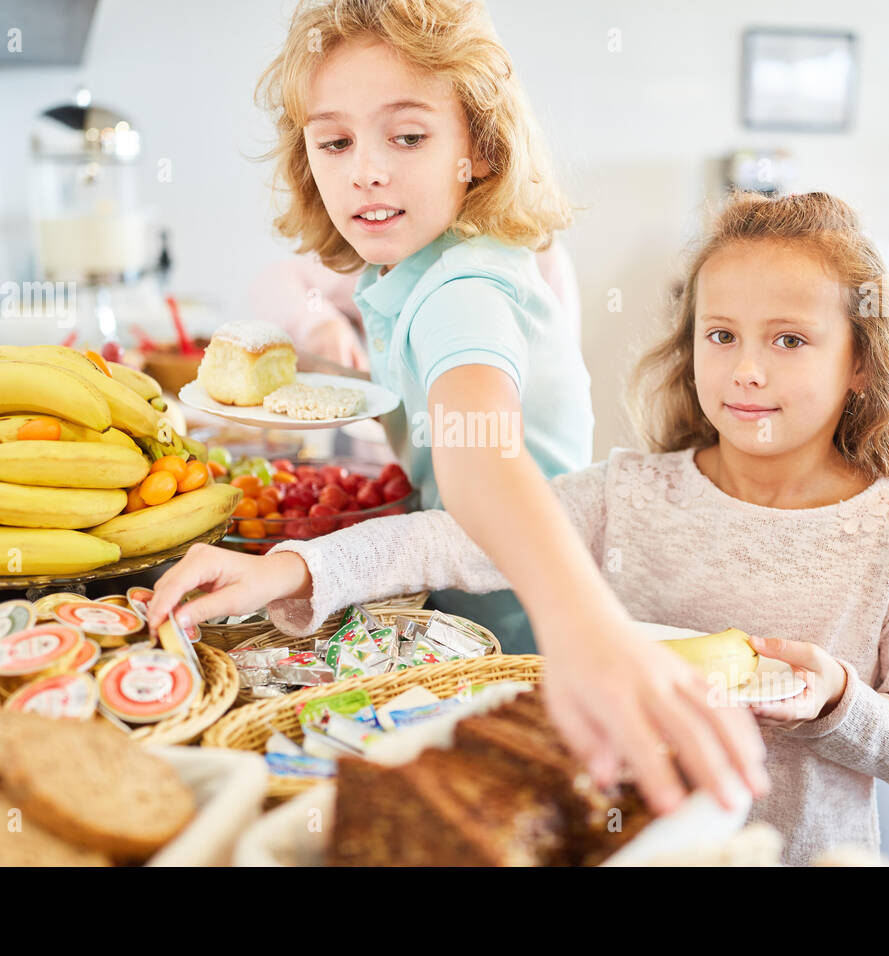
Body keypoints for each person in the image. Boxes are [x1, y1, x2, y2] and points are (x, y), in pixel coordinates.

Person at [155, 190, 889, 860]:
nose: (746, 370)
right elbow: (455, 535)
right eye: (721, 335)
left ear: (859, 361)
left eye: (790, 340)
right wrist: (291, 568)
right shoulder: (629, 493)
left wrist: (837, 700)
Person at [151, 0, 769, 816]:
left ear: (475, 148)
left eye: (407, 137)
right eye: (335, 141)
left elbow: (480, 458)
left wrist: (588, 634)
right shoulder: (426, 266)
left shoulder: (461, 290)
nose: (366, 169)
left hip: (523, 639)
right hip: (477, 607)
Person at [249, 241, 583, 374]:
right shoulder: (382, 249)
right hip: (383, 467)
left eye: (412, 139)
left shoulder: (540, 261)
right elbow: (273, 282)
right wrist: (320, 324)